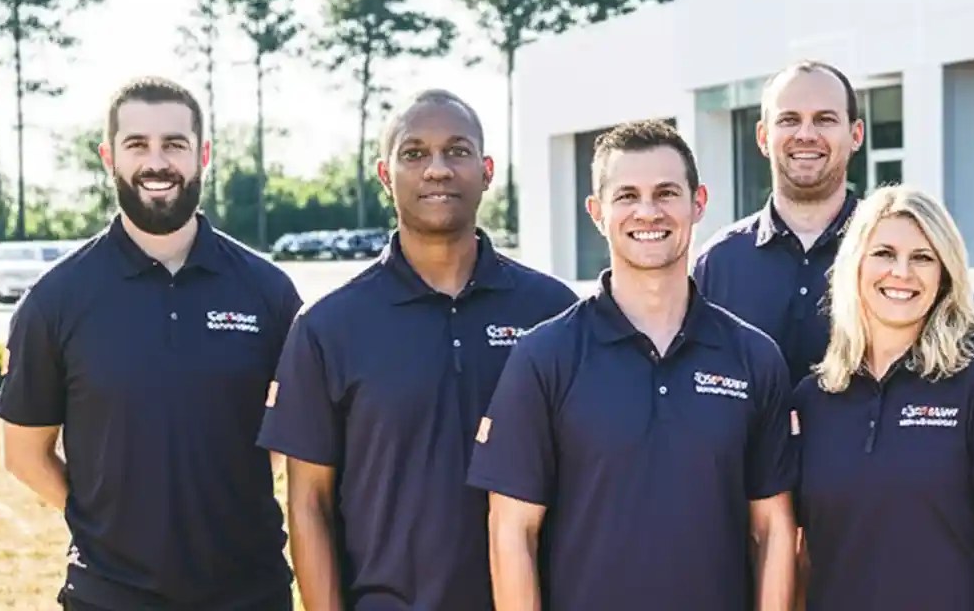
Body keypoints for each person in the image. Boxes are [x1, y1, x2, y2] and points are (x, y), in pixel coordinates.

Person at [255, 89, 578, 610]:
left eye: (457, 151)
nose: (437, 169)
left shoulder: (553, 310)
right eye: (414, 153)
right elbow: (309, 504)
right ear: (386, 175)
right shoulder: (328, 325)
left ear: (487, 169)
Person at [0, 76, 301, 610]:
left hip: (249, 593)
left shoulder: (268, 293)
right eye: (137, 144)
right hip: (108, 596)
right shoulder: (55, 300)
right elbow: (25, 453)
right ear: (108, 155)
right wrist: (101, 520)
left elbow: (287, 440)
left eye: (174, 144)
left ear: (202, 154)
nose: (156, 163)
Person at [467, 119, 798, 611]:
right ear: (597, 213)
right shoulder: (546, 356)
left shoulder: (754, 357)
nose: (648, 211)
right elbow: (512, 531)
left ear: (698, 202)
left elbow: (772, 530)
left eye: (666, 192)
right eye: (627, 196)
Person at [791, 184, 974, 610]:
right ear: (855, 265)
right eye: (884, 254)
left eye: (923, 258)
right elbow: (803, 555)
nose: (902, 273)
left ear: (945, 274)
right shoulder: (813, 399)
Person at [694, 60, 864, 386]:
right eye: (789, 120)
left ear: (855, 135)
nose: (805, 134)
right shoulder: (719, 261)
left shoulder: (890, 254)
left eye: (825, 120)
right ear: (763, 136)